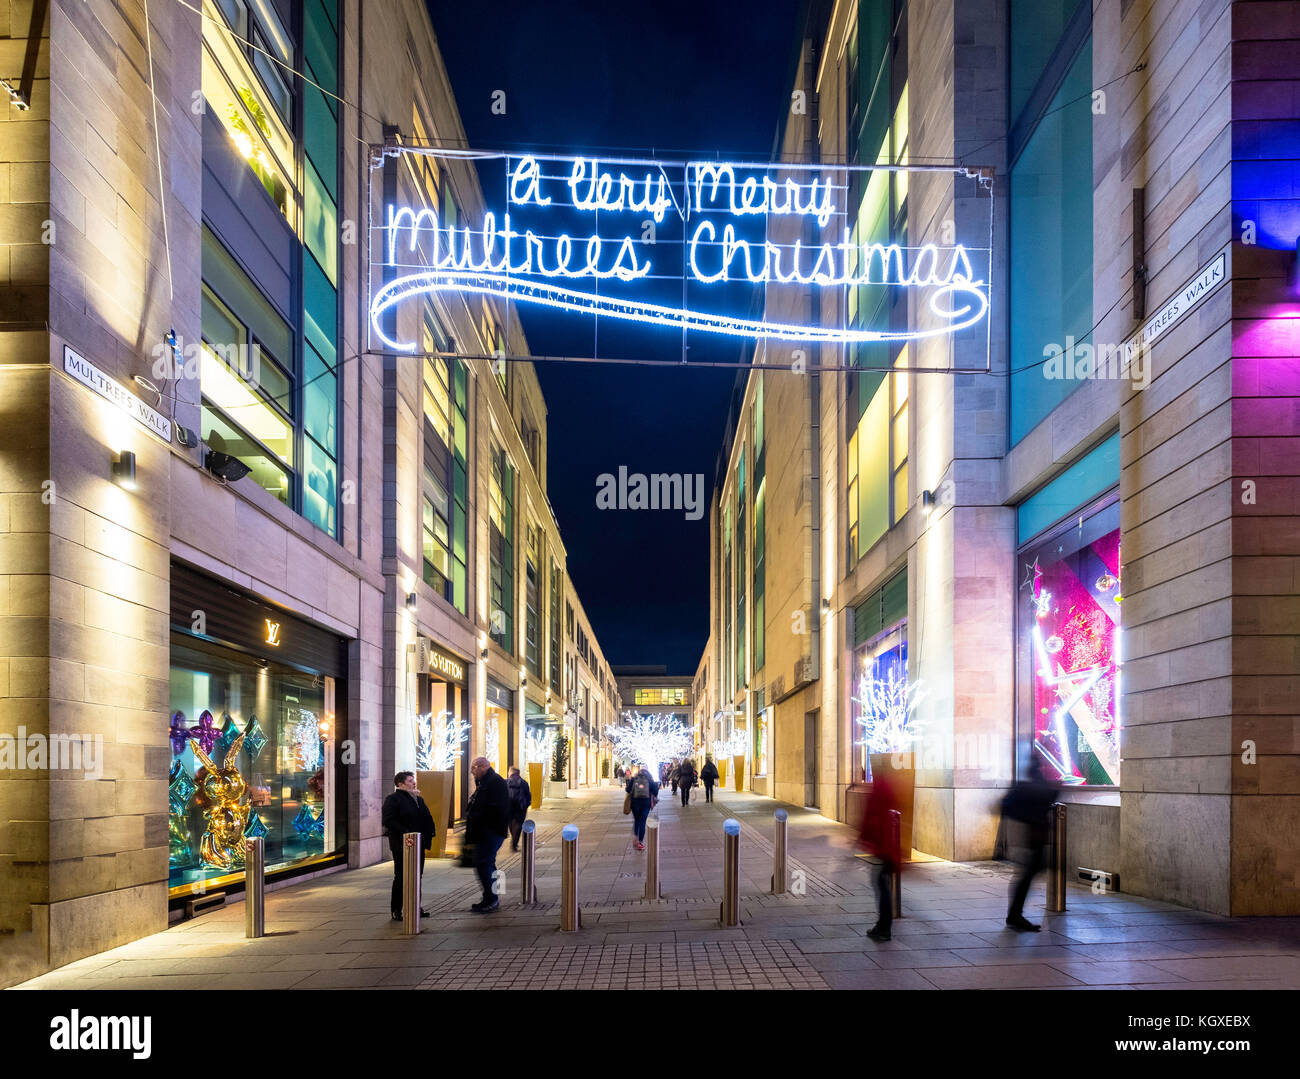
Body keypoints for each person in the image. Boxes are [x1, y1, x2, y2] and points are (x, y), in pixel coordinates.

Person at [1001, 755, 1060, 931]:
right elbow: (1051, 794)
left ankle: (1014, 914)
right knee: (1026, 875)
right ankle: (1014, 915)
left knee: (1026, 874)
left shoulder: (1025, 786)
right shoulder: (1035, 787)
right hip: (1033, 836)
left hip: (1029, 835)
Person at [381, 771, 435, 921]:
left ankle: (415, 906)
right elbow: (388, 820)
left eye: (413, 780)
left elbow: (427, 817)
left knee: (417, 875)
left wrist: (430, 832)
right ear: (400, 784)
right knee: (401, 876)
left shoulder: (418, 799)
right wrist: (406, 832)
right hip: (402, 844)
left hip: (418, 843)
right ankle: (396, 909)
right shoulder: (393, 799)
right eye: (410, 781)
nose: (414, 783)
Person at [858, 763, 903, 941]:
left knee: (881, 883)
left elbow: (872, 816)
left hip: (884, 847)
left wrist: (863, 837)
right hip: (887, 846)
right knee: (881, 882)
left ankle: (884, 926)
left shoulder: (880, 789)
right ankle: (883, 924)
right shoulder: (888, 787)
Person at [465, 756, 511, 913]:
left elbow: (492, 809)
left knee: (484, 863)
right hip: (488, 831)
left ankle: (491, 898)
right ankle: (491, 897)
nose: (472, 772)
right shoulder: (487, 781)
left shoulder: (494, 782)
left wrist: (480, 822)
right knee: (486, 863)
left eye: (473, 769)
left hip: (490, 832)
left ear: (482, 767)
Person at [625, 764, 659, 850]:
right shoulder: (649, 778)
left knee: (637, 820)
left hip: (635, 803)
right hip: (645, 803)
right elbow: (655, 791)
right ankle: (640, 842)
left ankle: (636, 836)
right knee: (643, 822)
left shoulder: (635, 778)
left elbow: (628, 790)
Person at [506, 765, 531, 852]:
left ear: (510, 773)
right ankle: (514, 843)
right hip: (520, 807)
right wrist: (526, 805)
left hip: (508, 806)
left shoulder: (506, 782)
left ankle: (514, 840)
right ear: (518, 773)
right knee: (518, 824)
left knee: (511, 823)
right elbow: (528, 795)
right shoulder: (523, 782)